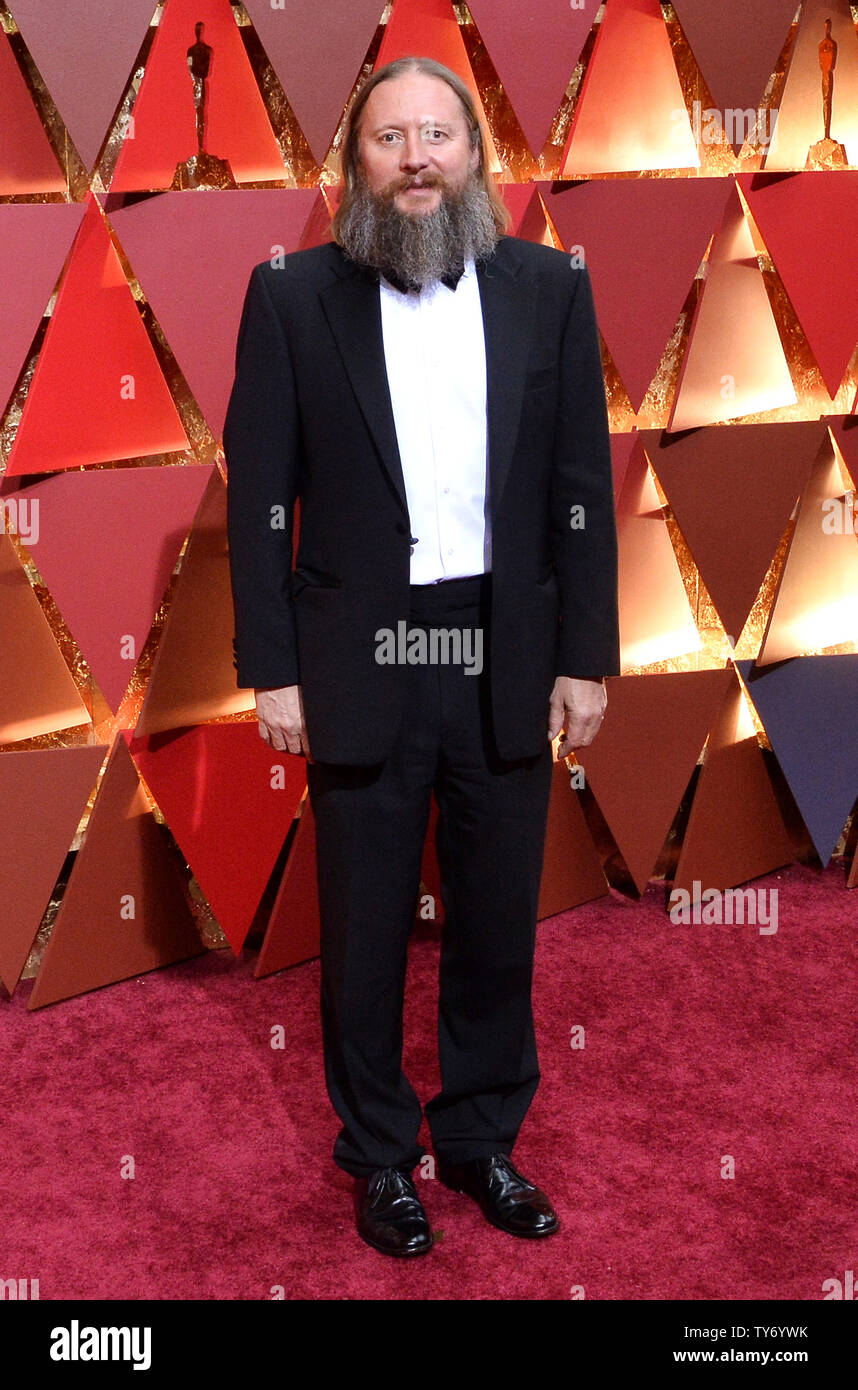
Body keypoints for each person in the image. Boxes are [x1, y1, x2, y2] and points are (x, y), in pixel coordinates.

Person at [223, 54, 619, 1258]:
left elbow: (579, 490)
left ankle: (483, 1140)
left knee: (500, 916)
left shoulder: (550, 287)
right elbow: (260, 504)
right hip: (359, 656)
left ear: (473, 154)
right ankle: (382, 1156)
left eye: (435, 134)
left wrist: (586, 655)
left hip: (504, 649)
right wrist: (274, 668)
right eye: (389, 137)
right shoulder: (291, 296)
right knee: (365, 926)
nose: (414, 157)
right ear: (356, 165)